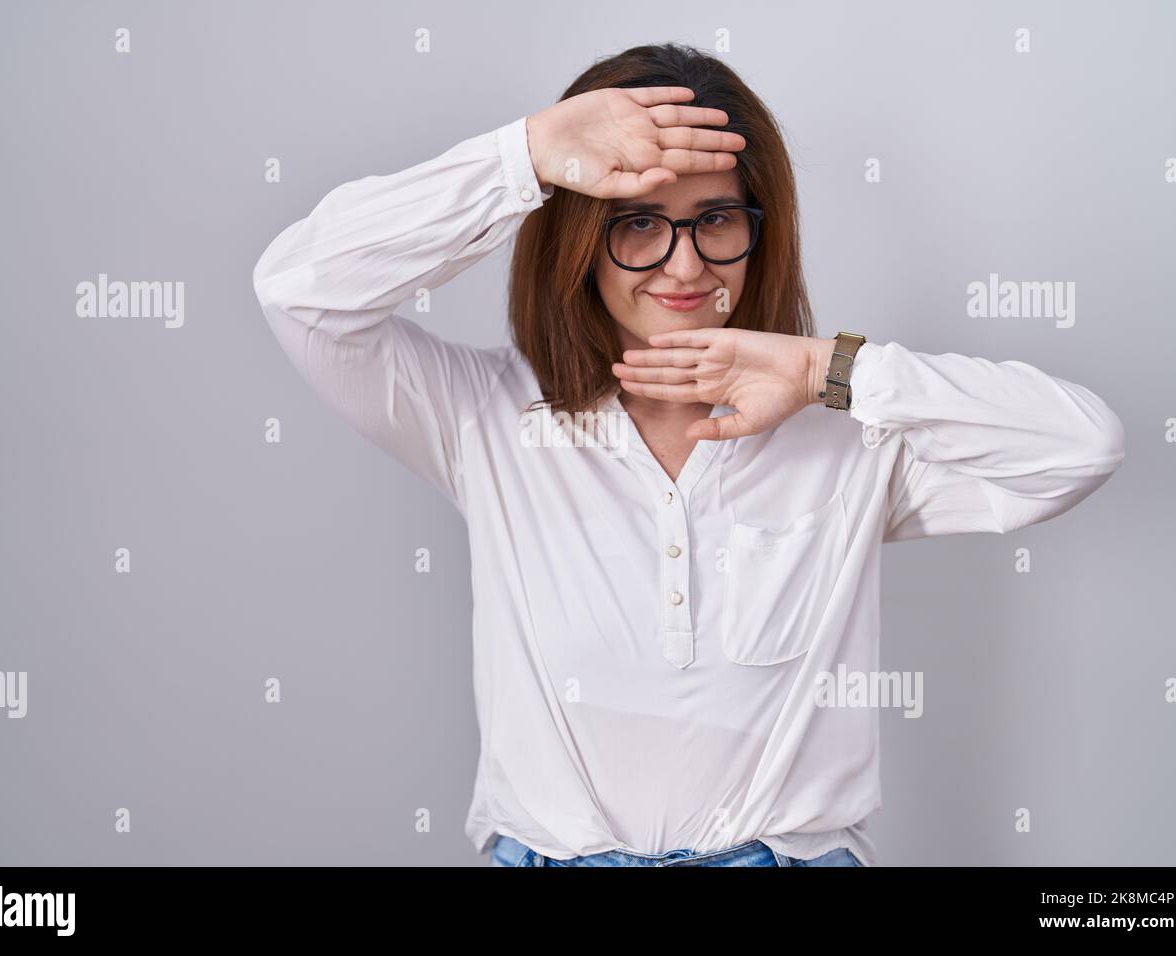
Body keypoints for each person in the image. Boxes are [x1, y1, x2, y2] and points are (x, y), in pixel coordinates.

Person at [251, 42, 1124, 867]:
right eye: (637, 225)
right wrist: (527, 156)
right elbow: (301, 292)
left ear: (760, 229)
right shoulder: (484, 416)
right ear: (579, 240)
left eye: (714, 221)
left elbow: (1081, 446)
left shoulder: (848, 436)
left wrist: (826, 368)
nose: (682, 266)